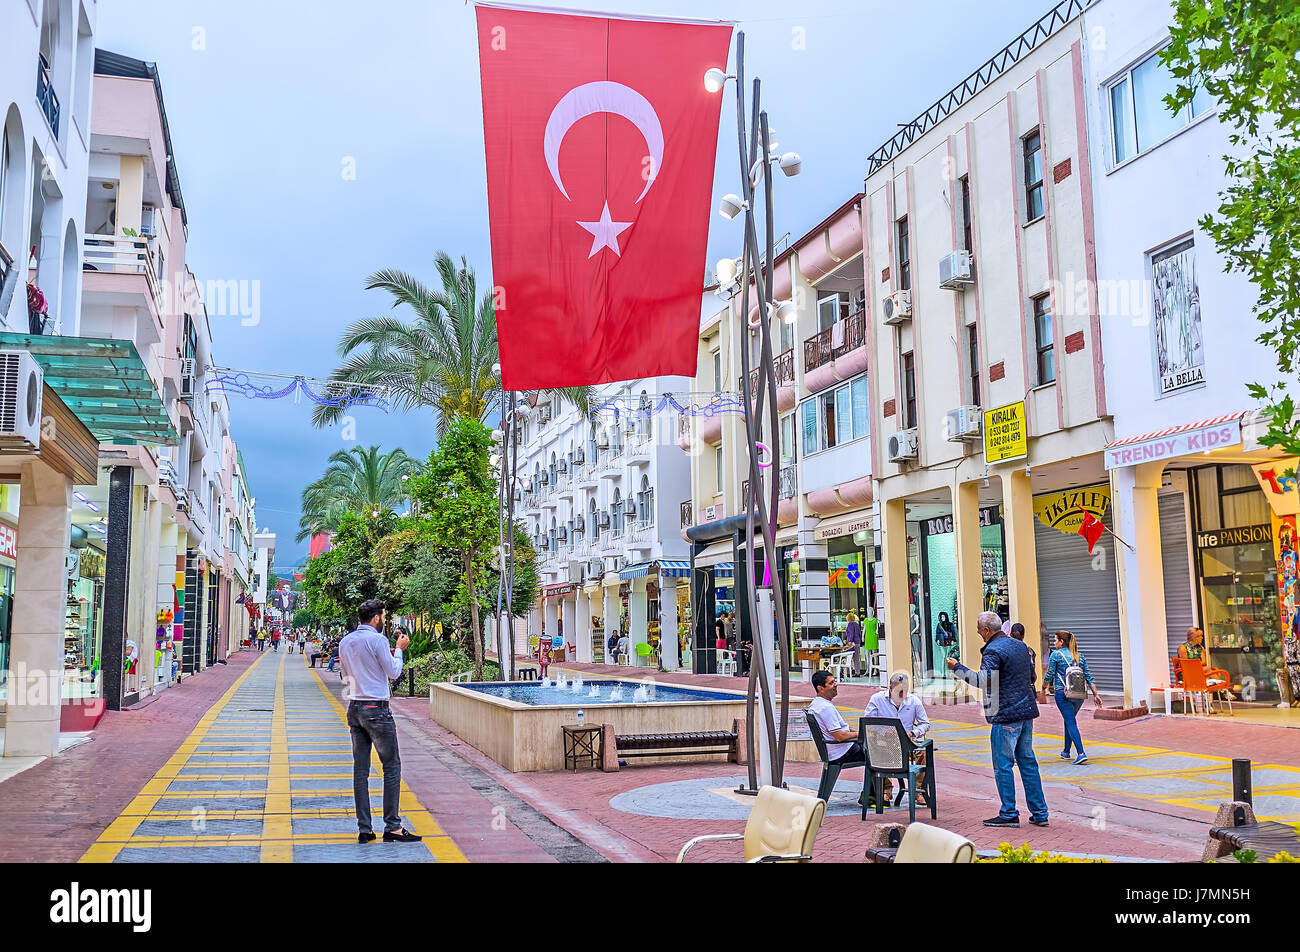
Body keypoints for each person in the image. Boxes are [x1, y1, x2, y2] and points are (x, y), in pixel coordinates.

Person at [946, 610, 1049, 828]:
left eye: (978, 629)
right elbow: (1031, 676)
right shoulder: (1020, 646)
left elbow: (982, 681)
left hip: (1005, 714)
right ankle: (1040, 812)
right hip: (1026, 711)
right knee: (1028, 763)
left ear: (986, 630)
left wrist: (957, 668)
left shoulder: (992, 651)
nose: (977, 632)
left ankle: (1009, 812)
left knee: (1003, 765)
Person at [338, 598, 421, 844]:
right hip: (377, 708)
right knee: (391, 767)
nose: (384, 620)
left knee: (360, 770)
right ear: (376, 618)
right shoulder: (377, 640)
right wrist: (400, 649)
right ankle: (393, 826)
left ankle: (365, 828)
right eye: (383, 616)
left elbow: (345, 674)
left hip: (354, 707)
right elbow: (394, 672)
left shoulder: (345, 641)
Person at [863, 672, 931, 806]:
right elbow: (868, 723)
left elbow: (925, 724)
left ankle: (918, 790)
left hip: (907, 742)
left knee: (923, 752)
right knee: (875, 750)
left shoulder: (914, 700)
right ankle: (886, 790)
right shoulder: (877, 699)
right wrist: (883, 731)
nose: (901, 695)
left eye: (904, 691)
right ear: (890, 688)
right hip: (884, 742)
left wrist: (912, 733)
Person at [1044, 629, 1103, 764]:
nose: (1054, 643)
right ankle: (1066, 751)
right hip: (1079, 694)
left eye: (1055, 640)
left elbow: (1049, 674)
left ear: (1061, 641)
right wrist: (1095, 694)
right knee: (1068, 719)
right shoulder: (1079, 656)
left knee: (1070, 721)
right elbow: (1088, 675)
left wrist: (1043, 688)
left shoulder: (1056, 655)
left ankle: (1081, 753)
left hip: (1062, 692)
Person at [808, 669, 863, 768]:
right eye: (831, 683)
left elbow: (840, 728)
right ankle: (882, 783)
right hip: (842, 752)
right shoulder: (825, 708)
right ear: (820, 688)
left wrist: (855, 732)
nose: (836, 685)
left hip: (836, 750)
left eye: (835, 681)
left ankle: (881, 783)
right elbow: (839, 736)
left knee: (874, 748)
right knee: (876, 753)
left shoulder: (816, 704)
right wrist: (861, 734)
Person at [1177, 627, 1232, 697]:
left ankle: (1221, 689)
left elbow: (1203, 662)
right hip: (1187, 674)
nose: (1202, 638)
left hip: (1199, 672)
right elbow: (1185, 665)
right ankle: (1223, 688)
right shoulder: (1183, 648)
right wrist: (1197, 663)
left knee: (1215, 670)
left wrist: (1197, 663)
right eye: (1200, 636)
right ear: (1193, 637)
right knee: (1208, 669)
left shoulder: (1200, 648)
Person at [844, 612, 864, 677]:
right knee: (856, 658)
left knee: (848, 657)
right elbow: (859, 634)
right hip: (857, 642)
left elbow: (850, 634)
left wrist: (849, 641)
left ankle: (848, 672)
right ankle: (857, 672)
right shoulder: (856, 624)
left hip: (852, 643)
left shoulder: (850, 624)